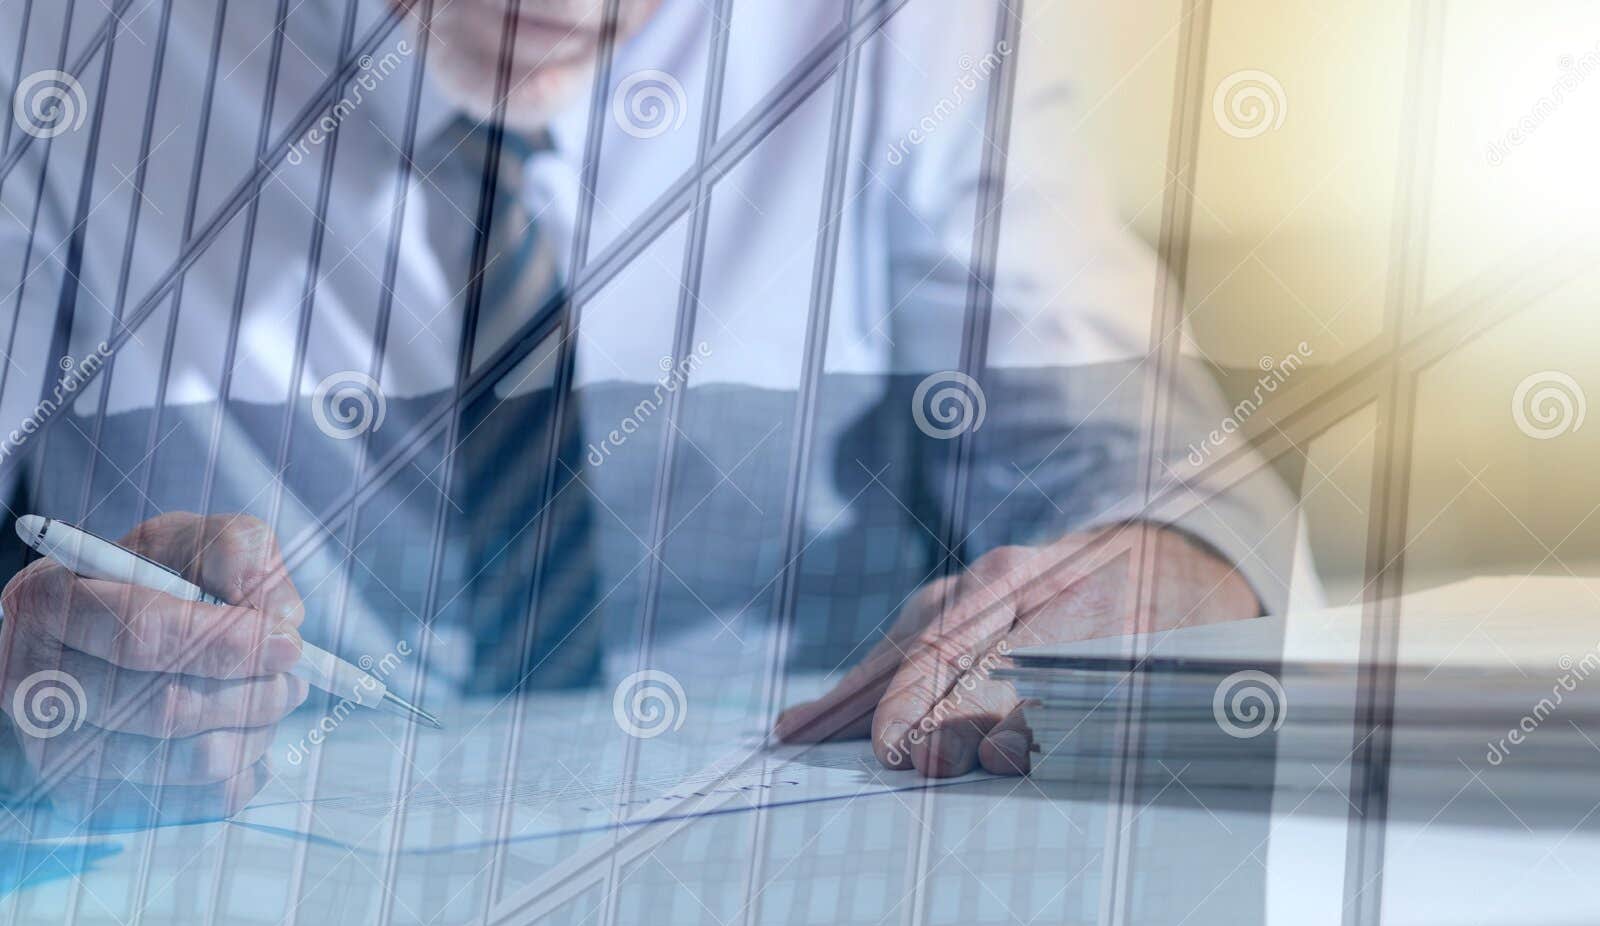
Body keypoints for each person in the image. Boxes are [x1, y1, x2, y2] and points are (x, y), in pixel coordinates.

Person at [0, 0, 1297, 816]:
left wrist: (1149, 570)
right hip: (222, 911)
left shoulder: (912, 30)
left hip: (792, 896)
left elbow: (1158, 471)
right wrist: (33, 697)